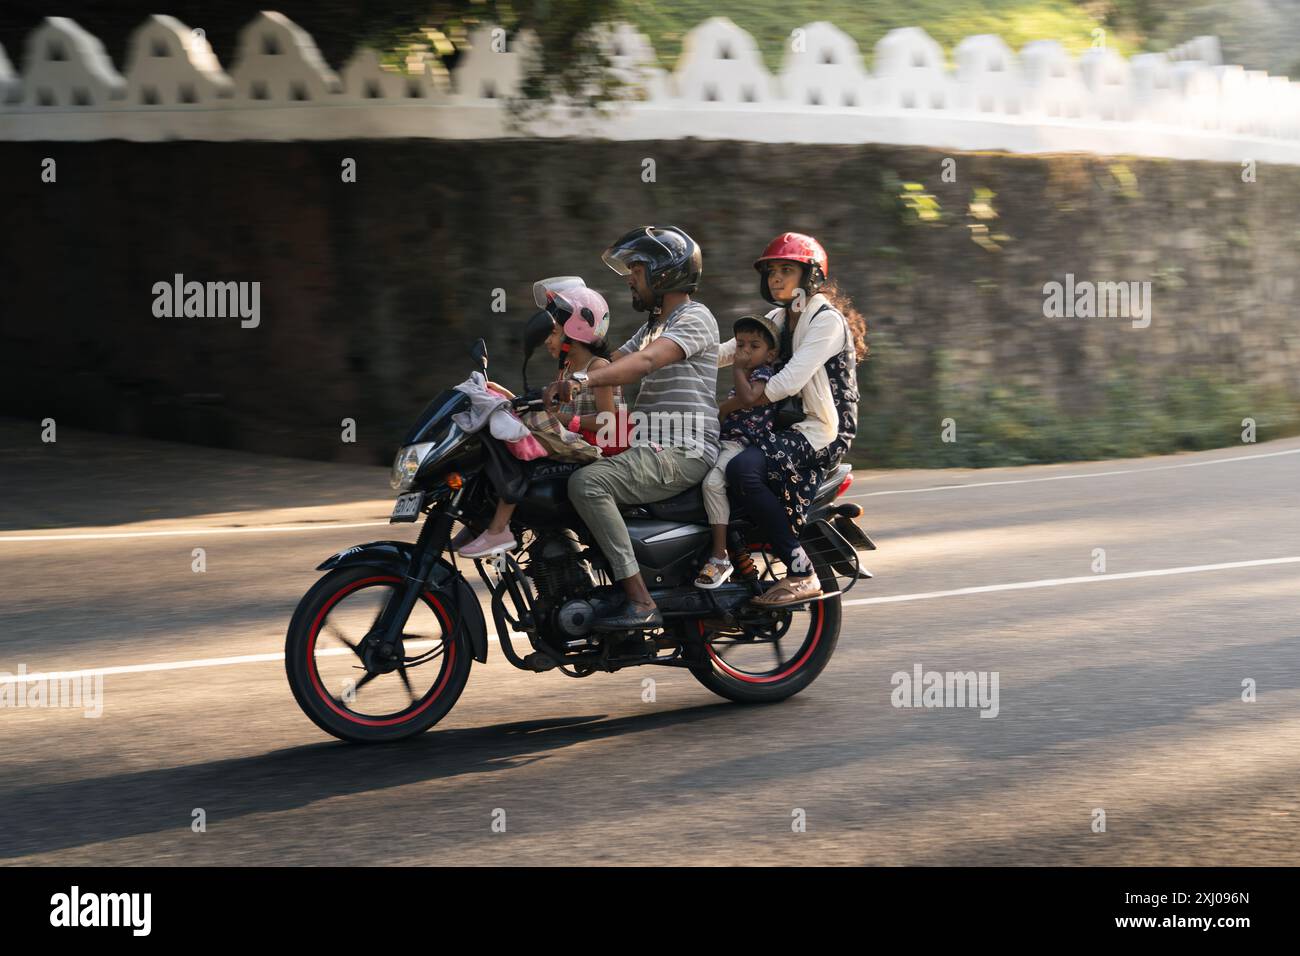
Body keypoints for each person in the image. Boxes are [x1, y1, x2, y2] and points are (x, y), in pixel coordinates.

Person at [551, 225, 720, 630]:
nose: (629, 277)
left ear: (664, 274)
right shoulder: (653, 326)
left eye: (637, 269)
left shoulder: (695, 318)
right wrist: (548, 384)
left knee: (587, 484)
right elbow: (611, 364)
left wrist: (585, 381)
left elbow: (641, 364)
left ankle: (641, 601)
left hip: (684, 448)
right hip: (651, 443)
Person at [719, 232, 868, 607]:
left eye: (787, 269)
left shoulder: (825, 321)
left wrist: (733, 404)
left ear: (810, 276)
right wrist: (663, 355)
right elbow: (726, 352)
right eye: (771, 271)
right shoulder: (777, 318)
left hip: (823, 429)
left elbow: (788, 382)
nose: (776, 278)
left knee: (743, 470)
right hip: (783, 423)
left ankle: (802, 570)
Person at [457, 284, 626, 558]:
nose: (547, 340)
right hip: (573, 446)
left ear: (576, 332)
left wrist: (566, 419)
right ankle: (484, 520)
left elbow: (610, 424)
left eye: (553, 332)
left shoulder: (598, 368)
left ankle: (499, 527)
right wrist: (505, 395)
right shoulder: (567, 371)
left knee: (520, 444)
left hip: (600, 454)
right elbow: (545, 407)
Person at [695, 314, 780, 589]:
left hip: (743, 443)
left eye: (754, 346)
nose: (745, 352)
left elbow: (747, 398)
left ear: (770, 355)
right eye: (741, 345)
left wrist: (737, 370)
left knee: (712, 484)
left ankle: (720, 556)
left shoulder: (762, 373)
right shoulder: (750, 371)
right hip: (726, 440)